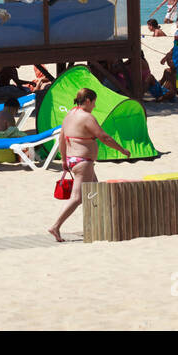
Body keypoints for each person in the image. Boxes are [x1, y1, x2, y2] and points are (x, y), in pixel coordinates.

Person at [47, 88, 130, 242]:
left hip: (73, 159)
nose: (94, 106)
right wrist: (122, 150)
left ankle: (98, 226)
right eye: (94, 102)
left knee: (96, 192)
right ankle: (55, 226)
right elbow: (104, 137)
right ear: (87, 101)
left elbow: (62, 139)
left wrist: (64, 160)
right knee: (77, 197)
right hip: (82, 162)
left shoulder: (69, 114)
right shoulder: (87, 117)